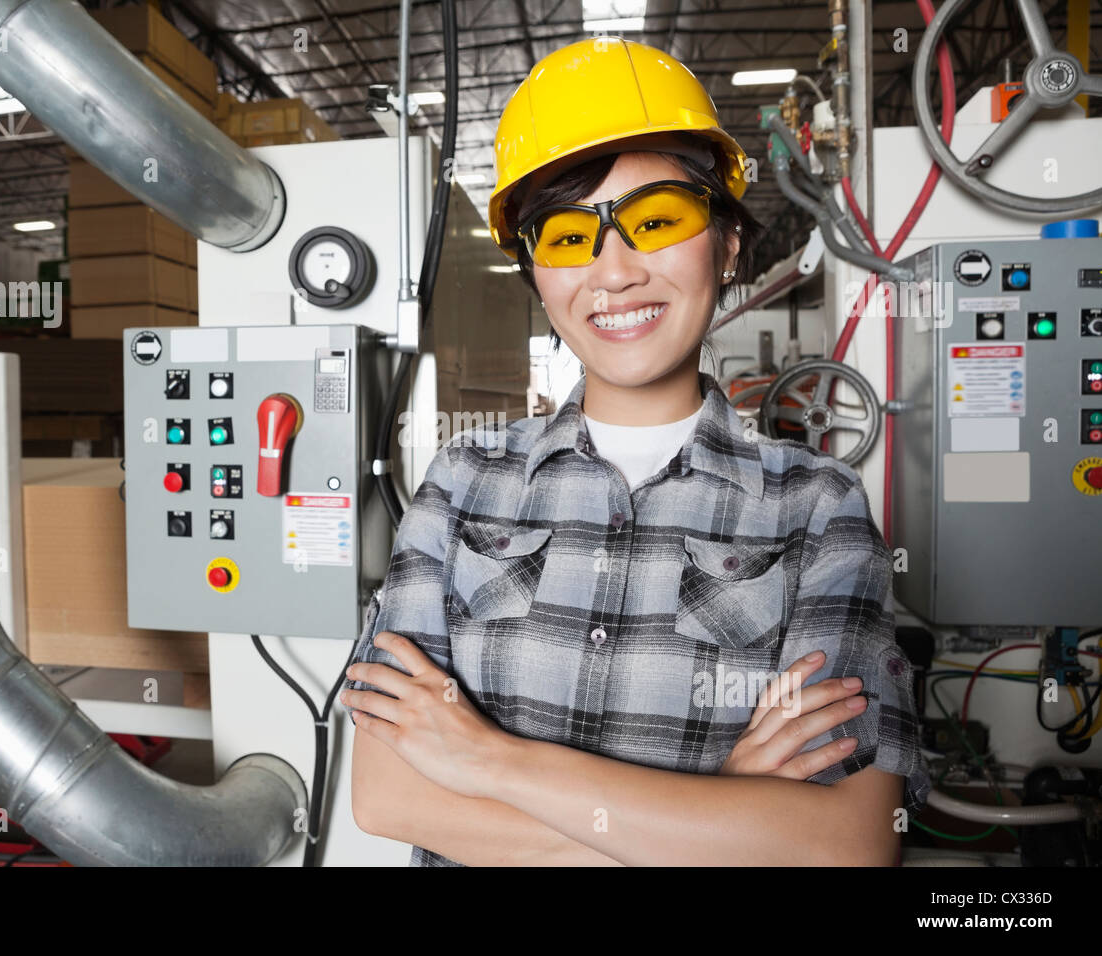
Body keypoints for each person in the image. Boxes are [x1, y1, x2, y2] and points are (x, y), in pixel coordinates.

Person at [341, 36, 929, 866]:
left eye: (657, 220)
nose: (612, 273)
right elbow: (387, 795)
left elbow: (847, 842)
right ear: (539, 276)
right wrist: (718, 818)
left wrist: (487, 758)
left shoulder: (816, 508)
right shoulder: (463, 484)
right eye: (569, 237)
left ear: (727, 245)